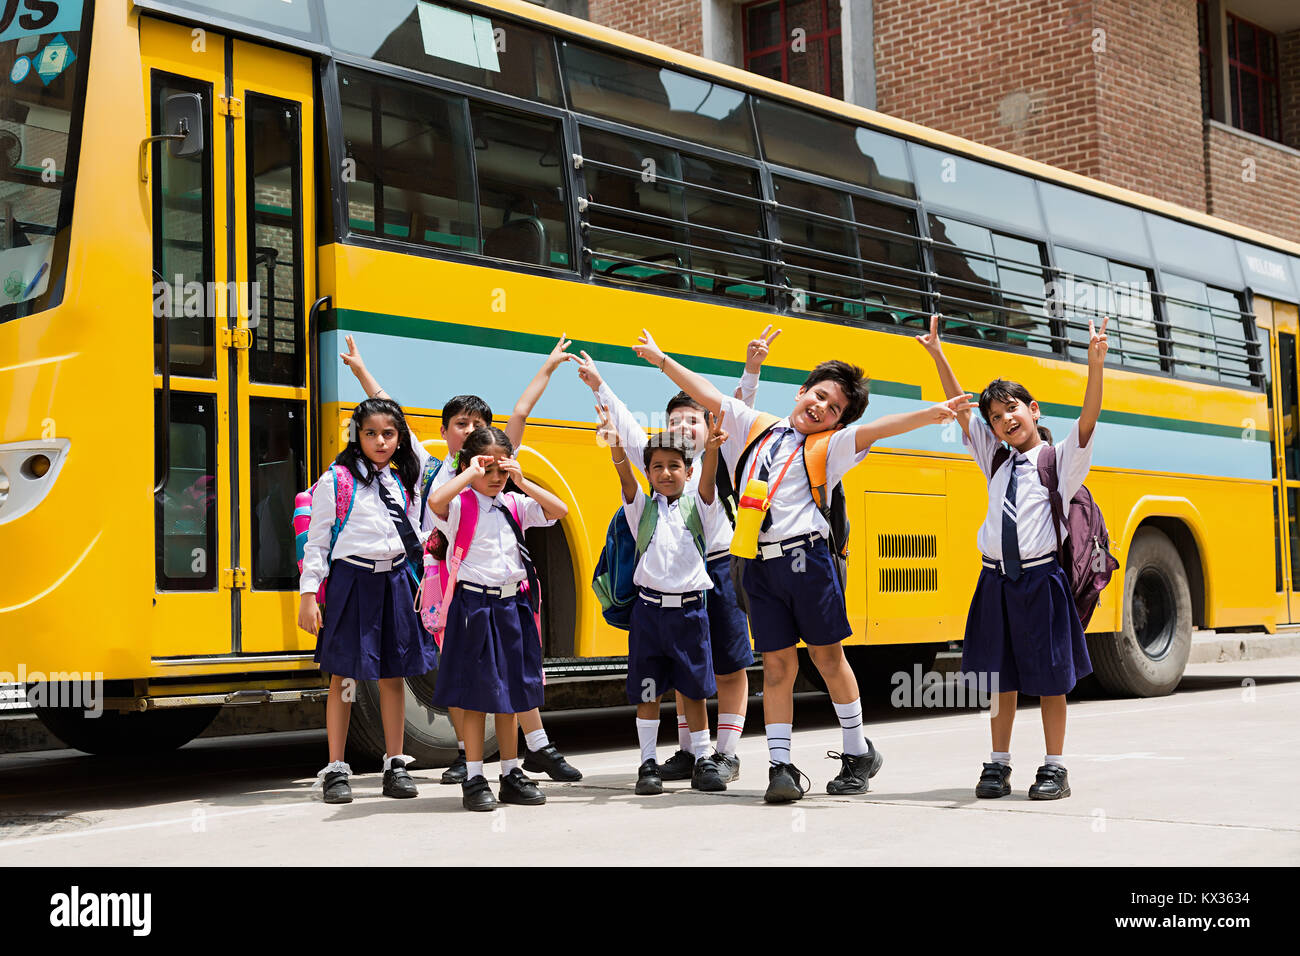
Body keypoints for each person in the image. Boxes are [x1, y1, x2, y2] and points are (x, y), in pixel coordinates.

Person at [631, 328, 972, 802]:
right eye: (819, 396)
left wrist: (931, 413)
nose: (821, 408)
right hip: (760, 566)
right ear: (802, 391)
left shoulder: (829, 448)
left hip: (808, 561)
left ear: (837, 422)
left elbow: (877, 428)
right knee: (775, 668)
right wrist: (662, 358)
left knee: (828, 659)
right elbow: (707, 394)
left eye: (833, 409)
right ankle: (780, 766)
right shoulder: (758, 425)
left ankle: (857, 753)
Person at [339, 334, 582, 784]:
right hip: (441, 582)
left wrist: (547, 369)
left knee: (506, 666)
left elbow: (522, 414)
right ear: (445, 430)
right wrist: (360, 371)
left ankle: (536, 746)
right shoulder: (433, 468)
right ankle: (468, 754)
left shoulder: (498, 476)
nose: (471, 431)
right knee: (457, 668)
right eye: (462, 423)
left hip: (482, 582)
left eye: (478, 424)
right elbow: (392, 413)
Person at [575, 325, 778, 788]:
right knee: (683, 669)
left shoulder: (721, 456)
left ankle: (723, 754)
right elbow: (625, 434)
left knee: (726, 663)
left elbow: (736, 410)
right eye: (677, 420)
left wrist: (751, 371)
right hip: (672, 587)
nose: (686, 427)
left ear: (710, 428)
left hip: (719, 569)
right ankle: (689, 753)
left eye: (695, 419)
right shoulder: (660, 477)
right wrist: (599, 385)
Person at [917, 313, 1107, 800]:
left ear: (1034, 408)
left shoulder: (1058, 461)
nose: (1005, 421)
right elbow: (962, 410)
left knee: (1050, 679)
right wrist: (939, 354)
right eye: (996, 418)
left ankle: (1054, 767)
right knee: (999, 676)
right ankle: (998, 764)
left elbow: (1087, 423)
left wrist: (1095, 367)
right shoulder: (994, 457)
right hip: (995, 581)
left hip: (1042, 583)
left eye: (1012, 409)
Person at [427, 426, 569, 810]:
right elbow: (435, 502)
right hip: (475, 606)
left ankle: (510, 772)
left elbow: (560, 510)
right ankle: (474, 777)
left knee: (511, 694)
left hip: (512, 606)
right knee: (476, 697)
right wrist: (468, 473)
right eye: (487, 469)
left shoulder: (514, 504)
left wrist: (522, 480)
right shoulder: (461, 504)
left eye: (500, 471)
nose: (494, 478)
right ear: (471, 465)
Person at [298, 398, 432, 805]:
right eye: (371, 433)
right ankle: (336, 769)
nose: (380, 441)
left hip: (394, 582)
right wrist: (308, 596)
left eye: (388, 434)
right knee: (345, 679)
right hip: (352, 583)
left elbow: (414, 536)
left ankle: (395, 764)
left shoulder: (401, 480)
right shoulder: (335, 481)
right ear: (357, 434)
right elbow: (318, 543)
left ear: (399, 437)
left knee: (393, 677)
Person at [598, 405, 729, 794]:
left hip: (690, 614)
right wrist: (616, 446)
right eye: (657, 467)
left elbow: (709, 481)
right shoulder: (641, 509)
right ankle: (648, 763)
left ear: (688, 472)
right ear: (649, 474)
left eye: (675, 466)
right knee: (648, 689)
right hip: (649, 615)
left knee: (694, 690)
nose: (666, 473)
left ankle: (703, 759)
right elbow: (624, 478)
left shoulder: (701, 507)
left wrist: (715, 450)